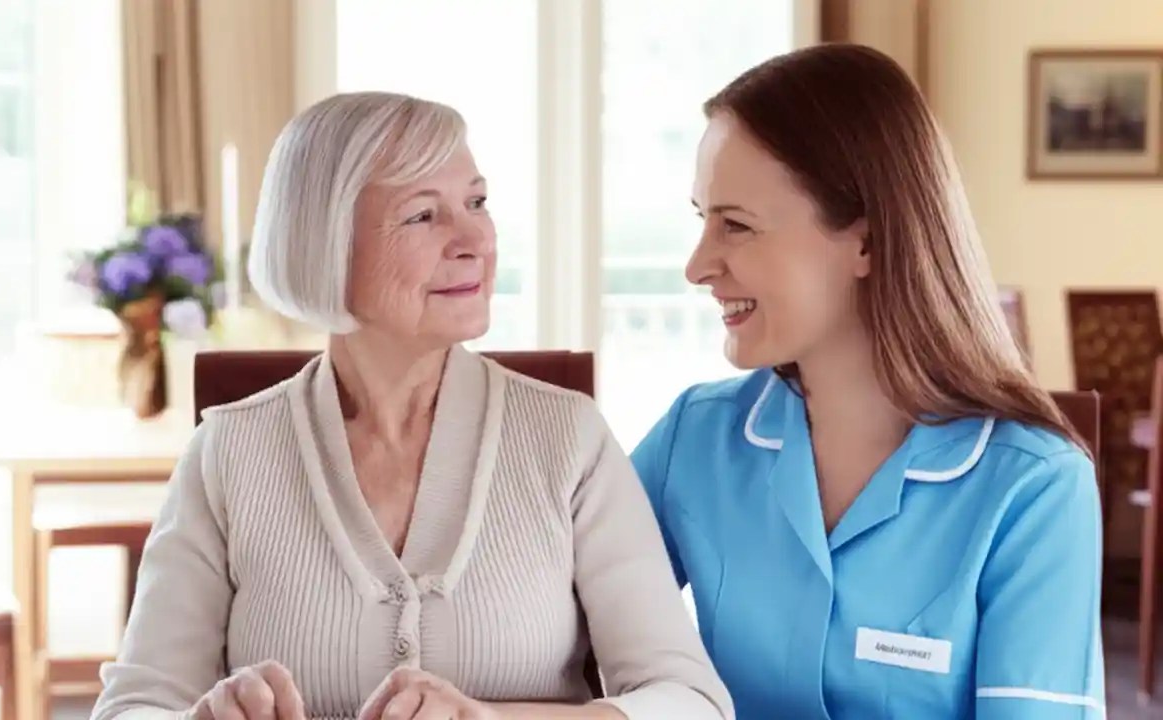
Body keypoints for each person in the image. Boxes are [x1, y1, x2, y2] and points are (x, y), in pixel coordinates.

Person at [91, 91, 732, 720]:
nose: (475, 239)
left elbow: (689, 702)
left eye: (476, 202)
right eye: (423, 215)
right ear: (325, 245)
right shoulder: (229, 453)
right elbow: (132, 705)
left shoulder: (568, 438)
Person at [632, 44, 1104, 720]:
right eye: (701, 221)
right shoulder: (695, 438)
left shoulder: (1034, 488)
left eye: (735, 225)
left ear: (868, 241)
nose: (698, 264)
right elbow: (545, 624)